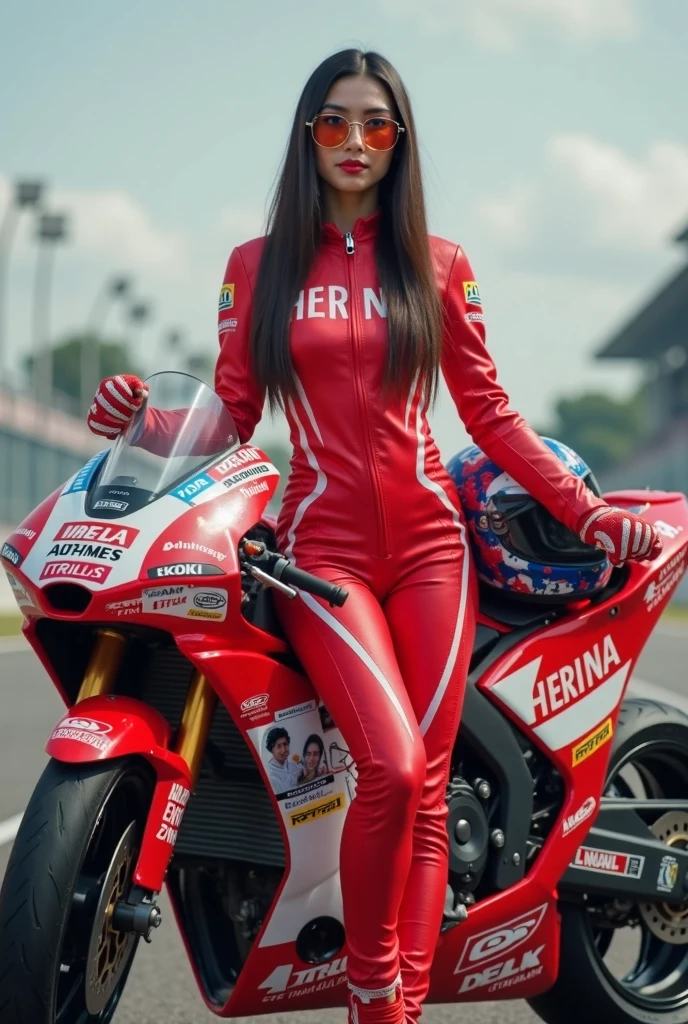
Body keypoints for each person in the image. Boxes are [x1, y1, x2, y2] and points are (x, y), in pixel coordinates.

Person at [86, 49, 662, 1024]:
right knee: (390, 768)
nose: (355, 142)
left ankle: (382, 1009)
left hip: (433, 547)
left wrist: (587, 508)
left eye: (377, 124)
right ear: (307, 135)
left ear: (399, 143)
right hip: (324, 557)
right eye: (335, 122)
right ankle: (373, 992)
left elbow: (489, 414)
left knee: (425, 788)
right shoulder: (254, 268)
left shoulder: (439, 266)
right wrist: (143, 419)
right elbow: (230, 409)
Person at [264, 726, 303, 794]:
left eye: (285, 744)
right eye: (279, 746)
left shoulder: (293, 766)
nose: (284, 750)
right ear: (271, 749)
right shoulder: (269, 774)